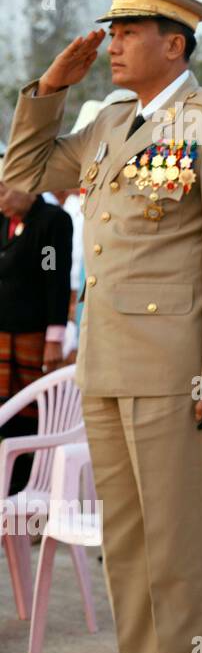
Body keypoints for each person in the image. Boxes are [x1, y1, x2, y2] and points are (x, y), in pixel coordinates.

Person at [4, 0, 202, 653]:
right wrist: (49, 91)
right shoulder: (110, 123)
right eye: (112, 31)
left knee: (182, 554)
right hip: (108, 366)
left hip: (178, 372)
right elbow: (17, 184)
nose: (113, 45)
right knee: (127, 548)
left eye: (128, 32)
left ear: (175, 46)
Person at [0, 175, 73, 493]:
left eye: (3, 190)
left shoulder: (52, 221)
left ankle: (30, 492)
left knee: (31, 417)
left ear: (26, 187)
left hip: (34, 337)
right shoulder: (4, 221)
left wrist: (53, 339)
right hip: (3, 337)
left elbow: (55, 278)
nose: (0, 198)